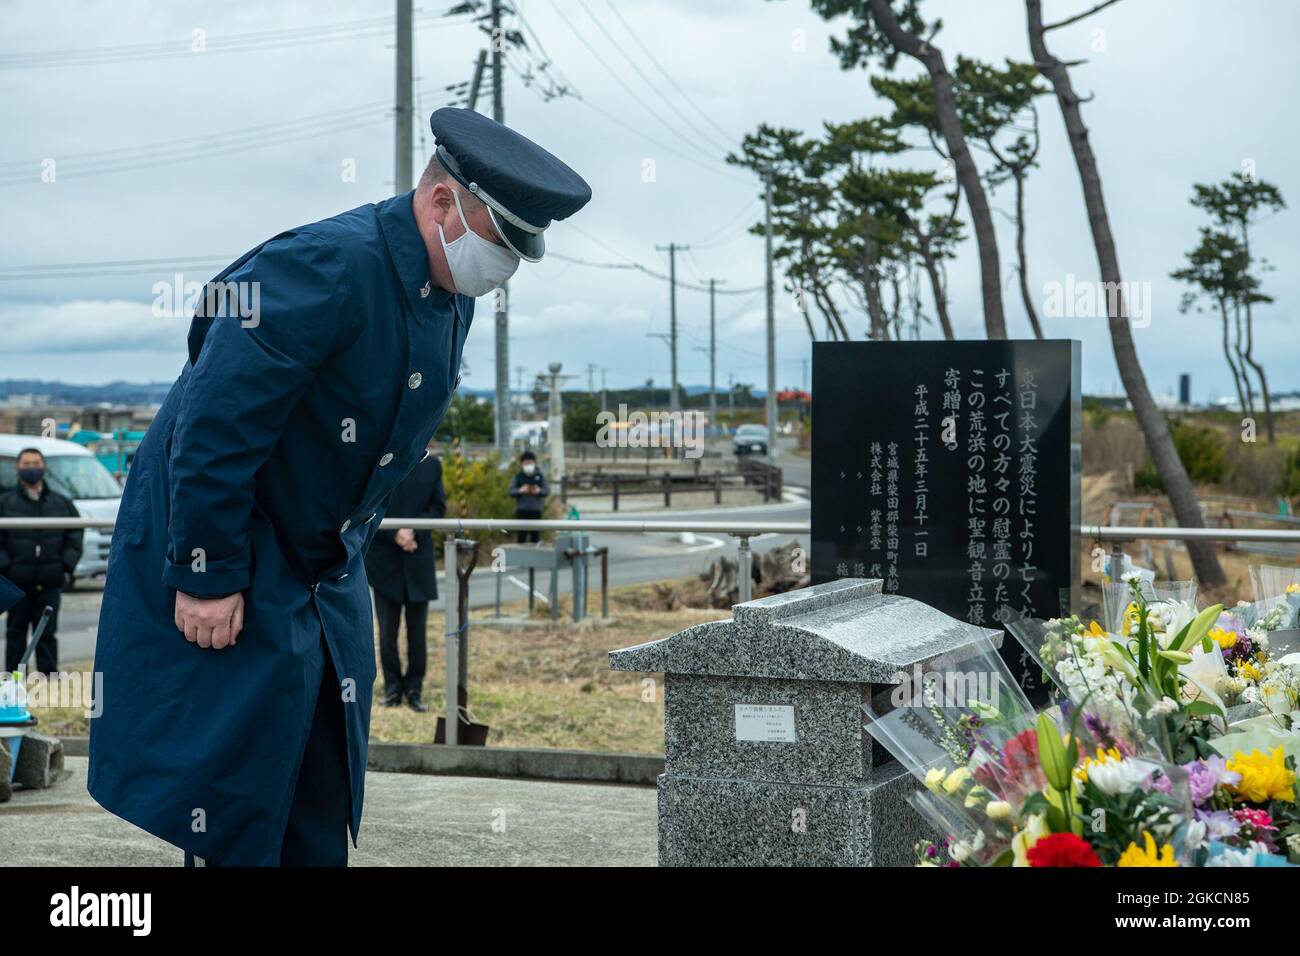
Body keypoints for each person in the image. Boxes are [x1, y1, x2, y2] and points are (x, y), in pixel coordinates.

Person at [87, 108, 591, 866]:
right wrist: (207, 573)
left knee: (318, 791)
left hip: (322, 574)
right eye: (500, 240)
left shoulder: (446, 293)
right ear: (442, 203)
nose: (506, 266)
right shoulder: (319, 265)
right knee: (233, 805)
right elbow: (214, 428)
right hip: (239, 560)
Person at [364, 446, 445, 712]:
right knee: (387, 632)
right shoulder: (382, 460)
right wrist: (395, 534)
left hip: (416, 558)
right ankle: (392, 687)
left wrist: (413, 531)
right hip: (385, 561)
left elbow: (437, 508)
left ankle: (414, 688)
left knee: (418, 631)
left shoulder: (432, 466)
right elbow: (370, 506)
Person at [0, 448, 83, 674]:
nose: (31, 468)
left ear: (44, 467)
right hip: (16, 583)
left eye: (35, 463)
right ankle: (13, 684)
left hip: (49, 581)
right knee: (15, 633)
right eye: (26, 464)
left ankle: (49, 681)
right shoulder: (5, 503)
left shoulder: (62, 504)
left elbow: (75, 537)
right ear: (17, 468)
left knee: (47, 633)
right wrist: (7, 567)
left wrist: (64, 566)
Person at [508, 450, 548, 543]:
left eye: (530, 463)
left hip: (536, 510)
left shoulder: (540, 476)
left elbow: (546, 491)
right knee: (521, 536)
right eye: (526, 463)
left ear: (535, 463)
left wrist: (539, 491)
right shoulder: (518, 477)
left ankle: (536, 556)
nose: (528, 465)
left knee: (535, 536)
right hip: (522, 510)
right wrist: (520, 490)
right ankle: (521, 556)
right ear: (521, 464)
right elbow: (511, 491)